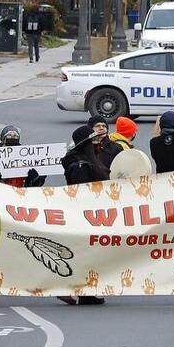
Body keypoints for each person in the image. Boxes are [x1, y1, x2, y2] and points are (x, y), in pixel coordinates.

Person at [58, 125, 110, 306]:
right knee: (82, 254)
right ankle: (71, 290)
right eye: (92, 141)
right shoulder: (80, 165)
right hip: (85, 216)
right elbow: (81, 193)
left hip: (94, 216)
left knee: (92, 255)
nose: (96, 143)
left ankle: (89, 291)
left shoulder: (90, 160)